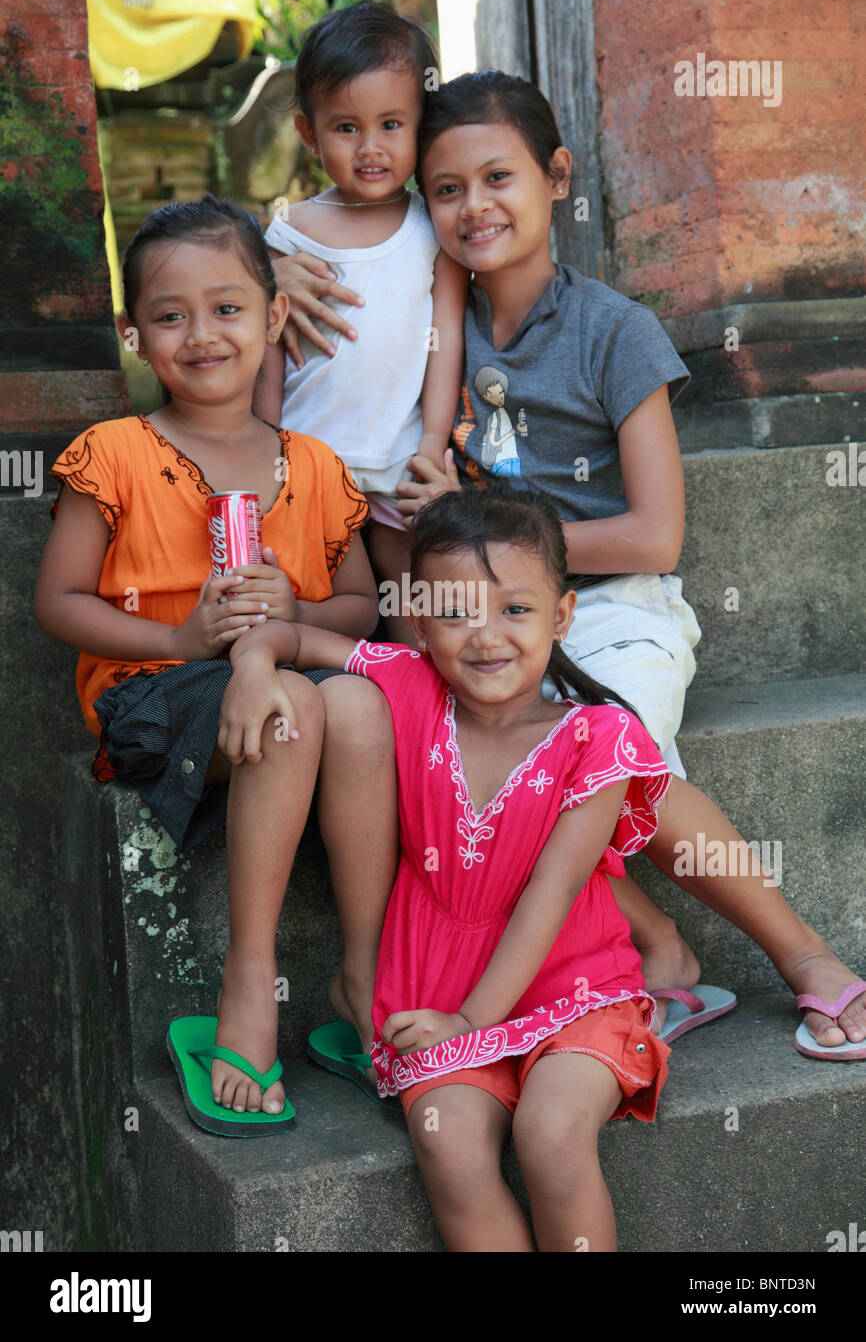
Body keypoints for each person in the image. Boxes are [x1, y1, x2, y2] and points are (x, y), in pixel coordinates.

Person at [285, 71, 866, 1062]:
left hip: (609, 608)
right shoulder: (426, 331)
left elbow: (652, 536)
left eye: (498, 177)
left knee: (611, 753)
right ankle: (651, 945)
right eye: (445, 188)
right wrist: (271, 266)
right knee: (456, 768)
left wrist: (510, 550)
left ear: (555, 177)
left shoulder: (613, 331)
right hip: (474, 623)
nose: (474, 207)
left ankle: (808, 959)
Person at [237, 485, 674, 1250]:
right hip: (431, 991)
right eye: (454, 612)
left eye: (514, 609)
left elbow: (554, 891)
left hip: (573, 992)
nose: (485, 637)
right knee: (447, 1146)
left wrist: (474, 1021)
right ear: (417, 618)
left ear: (561, 616)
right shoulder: (408, 685)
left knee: (550, 1133)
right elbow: (296, 640)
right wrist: (250, 663)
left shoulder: (598, 738)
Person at [34, 195, 379, 1135]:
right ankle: (248, 990)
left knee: (355, 707)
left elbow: (360, 605)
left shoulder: (313, 465)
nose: (201, 334)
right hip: (151, 695)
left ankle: (361, 976)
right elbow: (58, 602)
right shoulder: (114, 454)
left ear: (273, 319)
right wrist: (185, 642)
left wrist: (297, 611)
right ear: (135, 334)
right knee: (297, 709)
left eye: (228, 308)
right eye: (170, 314)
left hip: (281, 683)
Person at [253, 3, 468, 635]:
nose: (370, 147)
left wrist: (432, 442)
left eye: (392, 124)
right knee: (317, 611)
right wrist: (265, 445)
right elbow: (266, 348)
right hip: (308, 461)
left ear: (422, 126)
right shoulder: (291, 233)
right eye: (346, 127)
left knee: (413, 614)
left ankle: (419, 717)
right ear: (309, 133)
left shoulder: (432, 225)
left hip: (399, 459)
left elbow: (444, 334)